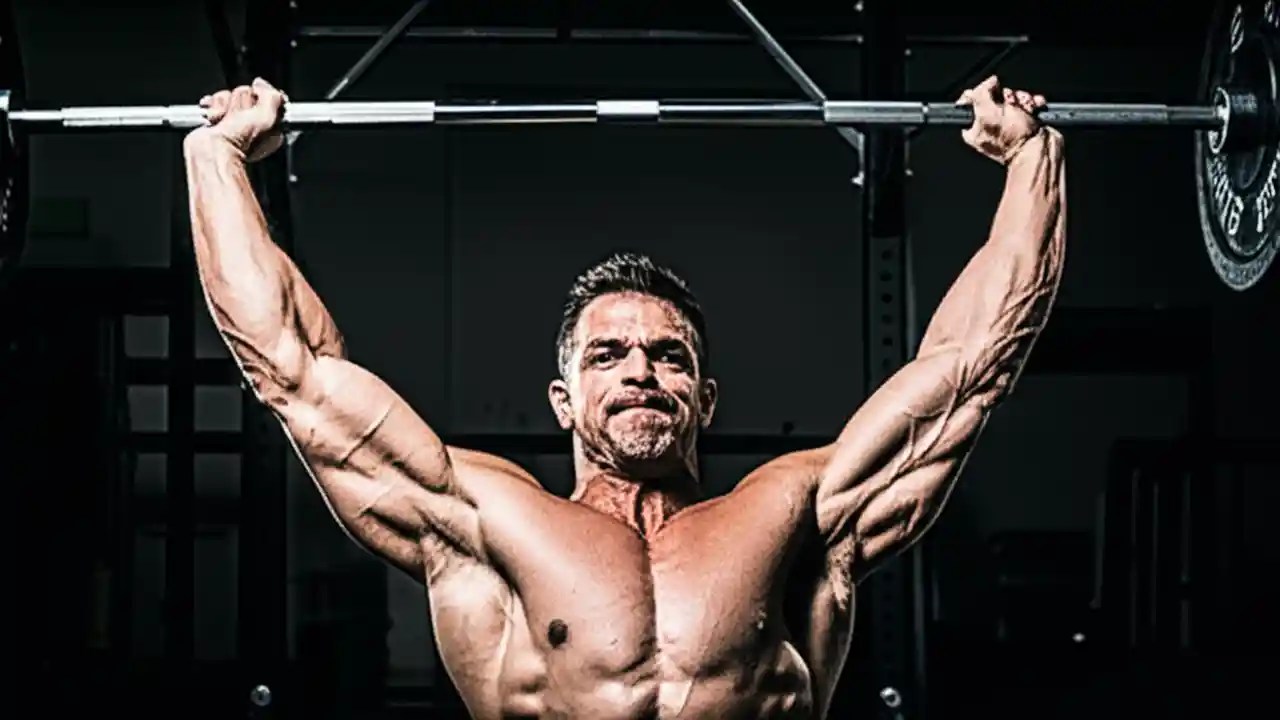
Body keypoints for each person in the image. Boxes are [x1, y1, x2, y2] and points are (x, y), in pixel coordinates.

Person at [182, 74, 1065, 719]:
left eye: (668, 356)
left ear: (705, 399)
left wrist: (1032, 162)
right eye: (607, 355)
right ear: (563, 400)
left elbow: (969, 368)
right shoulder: (485, 520)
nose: (640, 370)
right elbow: (294, 371)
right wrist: (217, 159)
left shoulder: (793, 513)